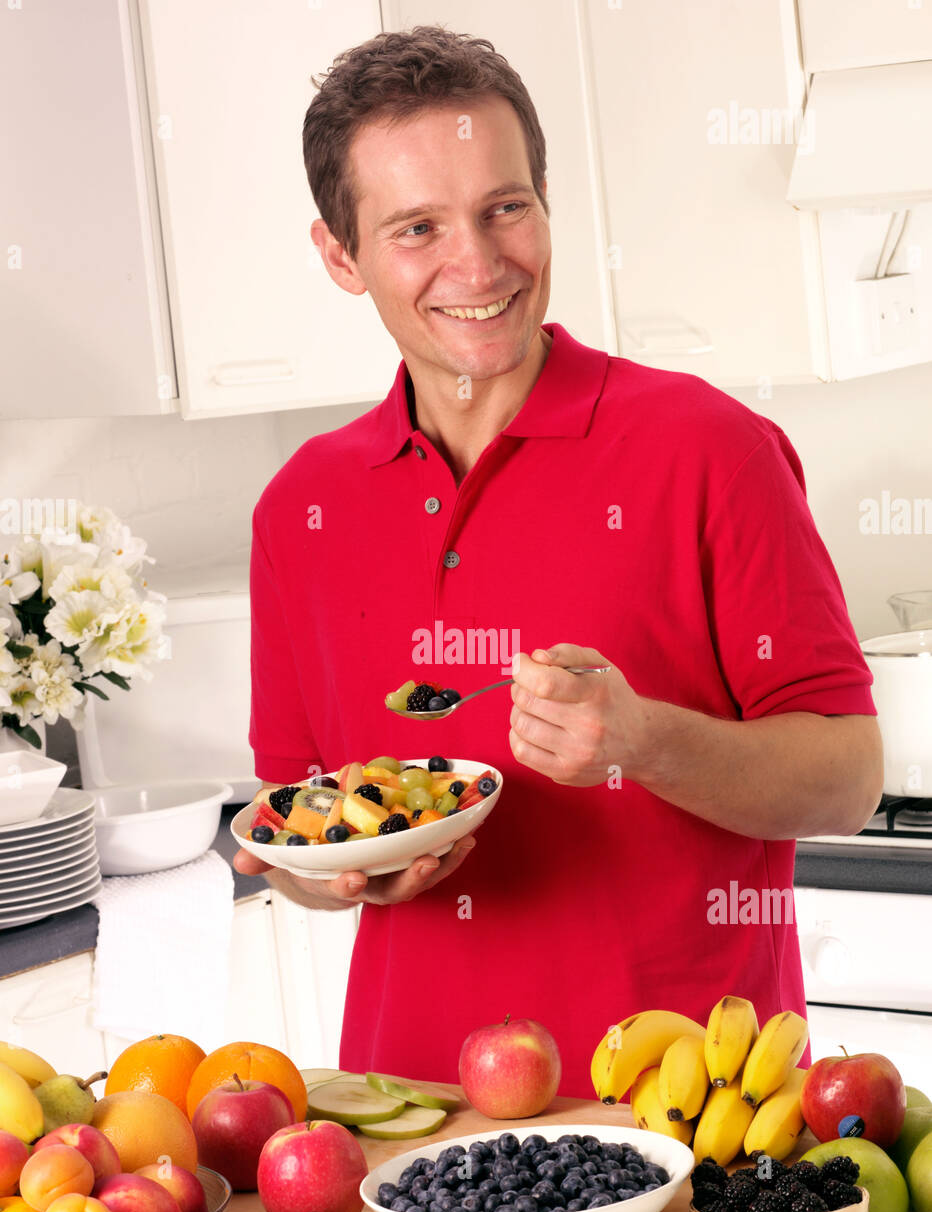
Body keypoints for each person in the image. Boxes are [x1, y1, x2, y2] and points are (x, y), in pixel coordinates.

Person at [233, 26, 882, 1099]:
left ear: (545, 201)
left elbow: (847, 778)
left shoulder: (705, 448)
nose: (478, 265)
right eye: (416, 228)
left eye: (504, 207)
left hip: (686, 1112)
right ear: (340, 256)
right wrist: (347, 874)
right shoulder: (300, 506)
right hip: (412, 1126)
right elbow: (294, 811)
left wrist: (642, 740)